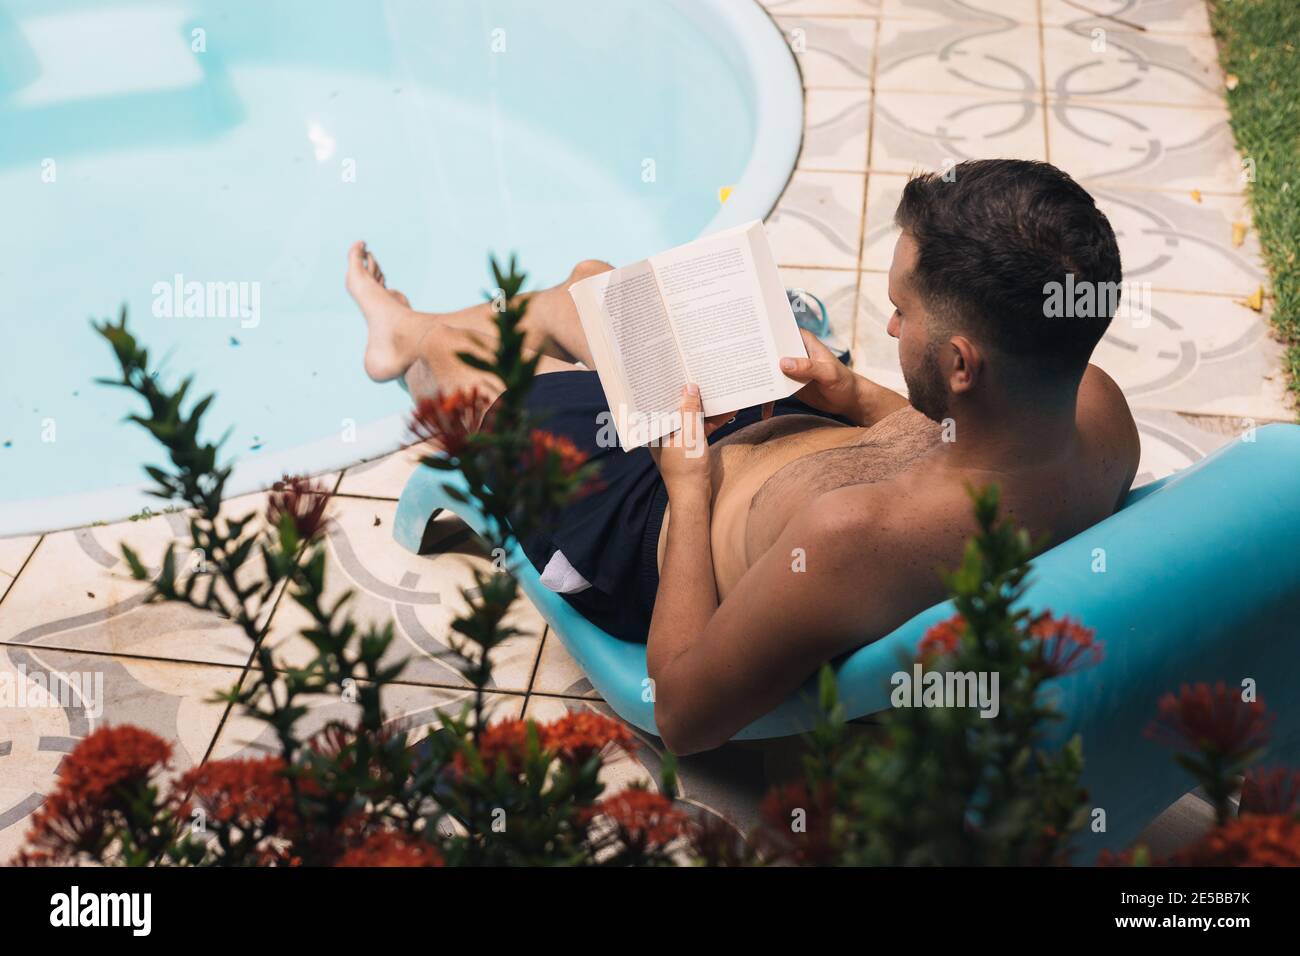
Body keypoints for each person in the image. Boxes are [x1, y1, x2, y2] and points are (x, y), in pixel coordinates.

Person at [347, 159, 1140, 755]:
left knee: (472, 374)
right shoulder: (1097, 409)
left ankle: (409, 335)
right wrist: (854, 394)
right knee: (600, 287)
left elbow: (682, 714)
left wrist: (687, 489)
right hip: (787, 433)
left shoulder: (853, 539)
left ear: (962, 366)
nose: (892, 330)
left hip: (648, 525)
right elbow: (978, 449)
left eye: (902, 313)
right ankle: (413, 326)